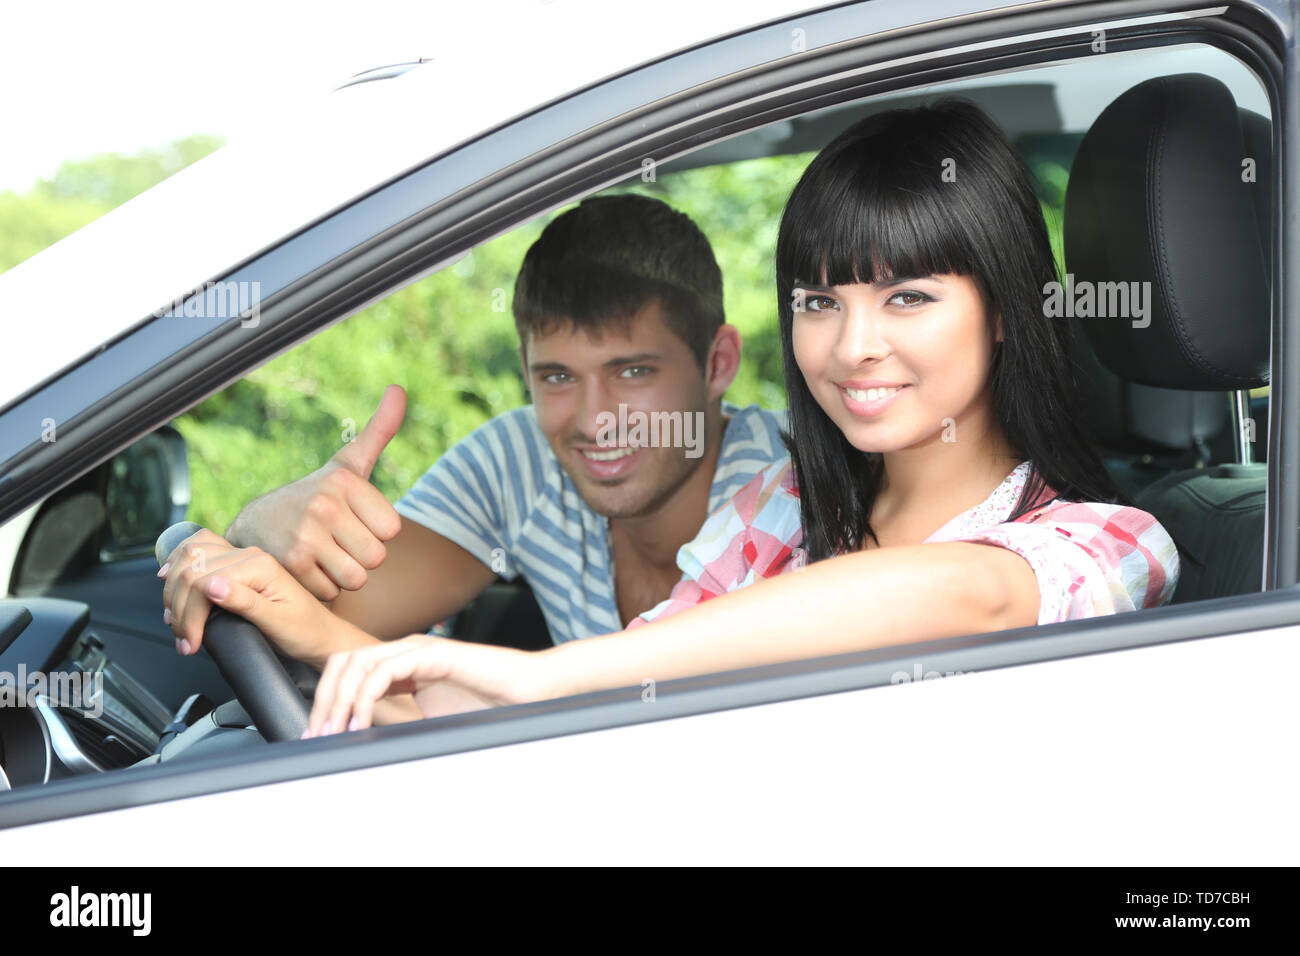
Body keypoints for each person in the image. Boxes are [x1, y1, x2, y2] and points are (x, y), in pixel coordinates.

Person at [172, 100, 1181, 735]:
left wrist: (545, 673)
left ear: (1002, 310)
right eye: (819, 301)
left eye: (907, 297)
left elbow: (966, 597)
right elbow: (553, 703)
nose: (851, 344)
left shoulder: (1107, 539)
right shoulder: (775, 513)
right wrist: (274, 601)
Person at [159, 195, 788, 721]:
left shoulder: (790, 488)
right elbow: (321, 613)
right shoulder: (524, 457)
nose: (595, 421)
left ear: (718, 364)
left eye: (632, 370)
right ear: (525, 372)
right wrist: (263, 533)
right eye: (559, 377)